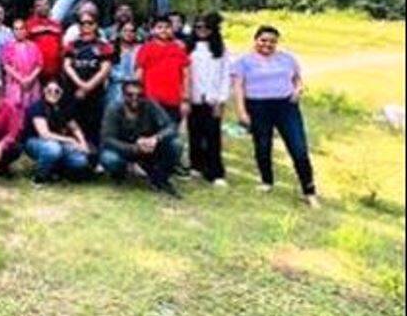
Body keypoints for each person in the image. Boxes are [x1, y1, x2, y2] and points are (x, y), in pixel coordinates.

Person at [232, 26, 319, 207]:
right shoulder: (243, 61)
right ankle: (267, 181)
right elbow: (238, 87)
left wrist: (298, 89)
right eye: (263, 40)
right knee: (263, 145)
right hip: (257, 106)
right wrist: (241, 111)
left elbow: (297, 78)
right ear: (255, 40)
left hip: (285, 106)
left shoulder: (287, 58)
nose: (267, 44)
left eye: (272, 41)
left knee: (298, 147)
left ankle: (309, 191)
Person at [99, 80, 182, 198]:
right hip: (125, 149)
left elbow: (171, 126)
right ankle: (120, 174)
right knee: (109, 159)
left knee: (176, 144)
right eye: (130, 95)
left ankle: (160, 178)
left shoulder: (151, 105)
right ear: (123, 95)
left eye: (139, 95)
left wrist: (155, 139)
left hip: (150, 148)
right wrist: (134, 148)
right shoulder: (113, 109)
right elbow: (107, 139)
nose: (135, 98)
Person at [135, 14, 191, 174]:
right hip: (151, 100)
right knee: (149, 133)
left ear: (172, 29)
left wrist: (185, 98)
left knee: (169, 135)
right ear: (152, 30)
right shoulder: (146, 48)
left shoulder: (178, 49)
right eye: (159, 27)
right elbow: (138, 73)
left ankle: (167, 166)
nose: (163, 30)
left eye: (167, 27)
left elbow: (186, 74)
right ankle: (148, 166)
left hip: (173, 101)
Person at [186, 14, 230, 186]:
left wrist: (221, 99)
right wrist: (186, 97)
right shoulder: (188, 48)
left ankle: (215, 172)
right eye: (198, 27)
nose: (202, 31)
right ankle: (195, 166)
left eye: (206, 27)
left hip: (213, 98)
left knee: (213, 135)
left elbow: (225, 76)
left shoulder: (220, 49)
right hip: (193, 97)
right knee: (194, 133)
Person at [23, 80, 93, 183]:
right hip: (35, 141)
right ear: (44, 91)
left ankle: (56, 171)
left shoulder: (63, 107)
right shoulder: (37, 107)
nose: (53, 93)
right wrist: (70, 140)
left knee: (80, 161)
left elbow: (75, 128)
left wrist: (83, 144)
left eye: (57, 91)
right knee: (53, 149)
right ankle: (40, 177)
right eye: (49, 90)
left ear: (61, 93)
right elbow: (44, 134)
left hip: (58, 142)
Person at [62, 11, 113, 148]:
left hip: (95, 94)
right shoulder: (72, 45)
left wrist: (88, 86)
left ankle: (96, 160)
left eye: (90, 23)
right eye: (82, 23)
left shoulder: (104, 46)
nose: (86, 26)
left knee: (95, 127)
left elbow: (105, 69)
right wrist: (80, 84)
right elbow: (67, 66)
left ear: (96, 25)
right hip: (74, 92)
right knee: (74, 125)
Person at [0, 18, 42, 111]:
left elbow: (39, 65)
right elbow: (6, 65)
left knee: (32, 109)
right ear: (13, 31)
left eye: (21, 28)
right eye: (16, 29)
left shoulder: (33, 46)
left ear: (26, 30)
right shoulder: (9, 46)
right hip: (15, 84)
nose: (19, 31)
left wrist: (30, 78)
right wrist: (21, 79)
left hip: (32, 84)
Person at [26, 0, 65, 82]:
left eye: (45, 4)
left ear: (49, 6)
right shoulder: (29, 25)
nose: (43, 7)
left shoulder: (57, 25)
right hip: (35, 73)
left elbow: (61, 48)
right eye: (39, 5)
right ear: (35, 8)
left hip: (55, 73)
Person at [106, 22, 142, 110]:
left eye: (132, 31)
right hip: (115, 89)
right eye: (125, 31)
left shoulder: (140, 49)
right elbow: (108, 70)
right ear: (119, 32)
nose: (128, 34)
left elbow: (141, 69)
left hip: (134, 89)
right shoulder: (111, 48)